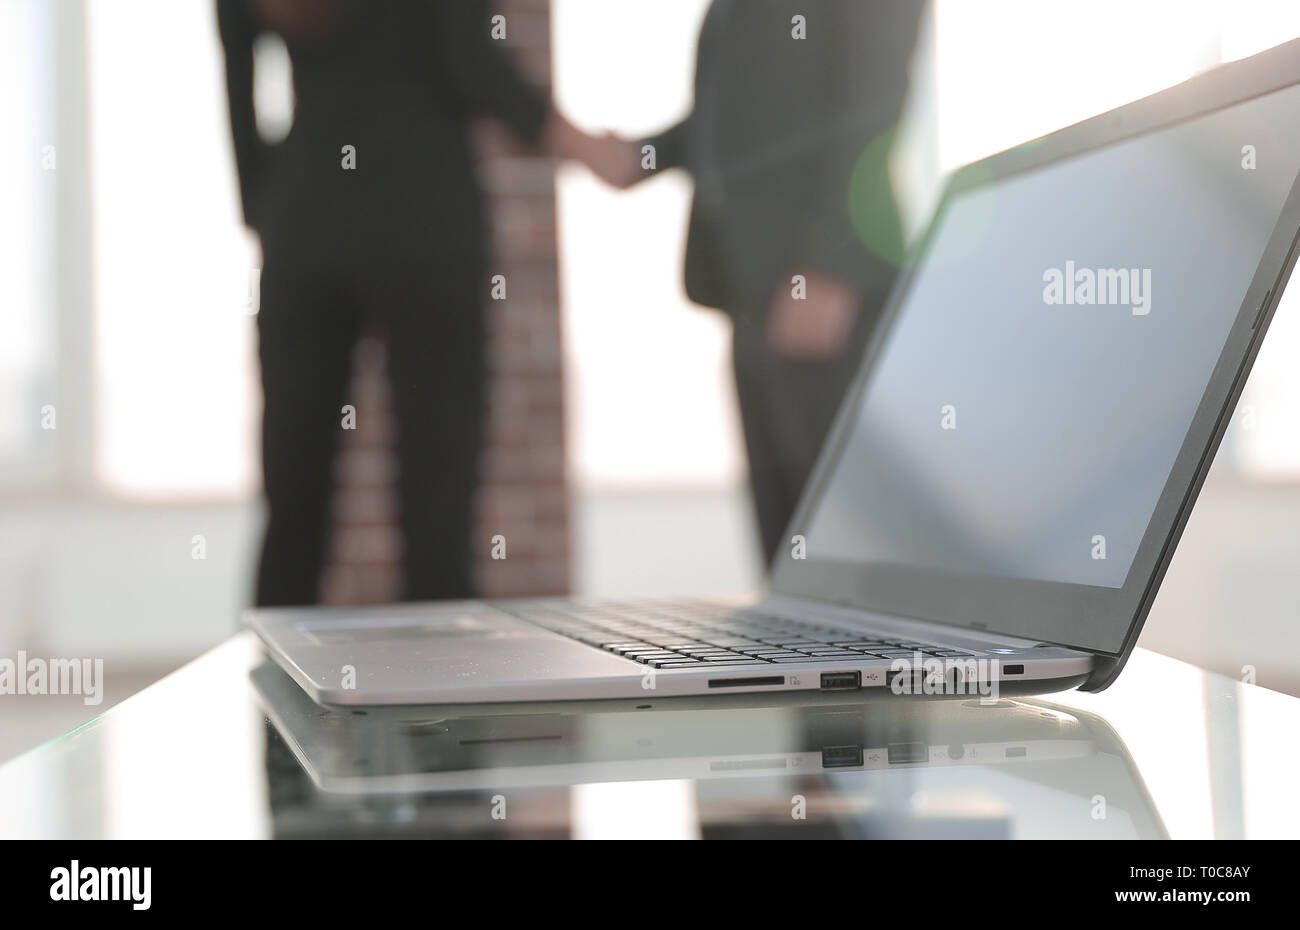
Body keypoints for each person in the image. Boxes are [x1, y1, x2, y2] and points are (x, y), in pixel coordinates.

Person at [217, 0, 624, 606]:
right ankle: (439, 695)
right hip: (428, 218)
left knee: (294, 510)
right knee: (439, 516)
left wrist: (269, 213)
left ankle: (273, 692)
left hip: (309, 221)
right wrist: (587, 147)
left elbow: (237, 91)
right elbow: (472, 61)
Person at [601, 0, 925, 563]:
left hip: (822, 295)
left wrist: (831, 264)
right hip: (746, 290)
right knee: (786, 551)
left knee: (850, 552)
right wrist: (639, 156)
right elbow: (730, 116)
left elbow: (876, 88)